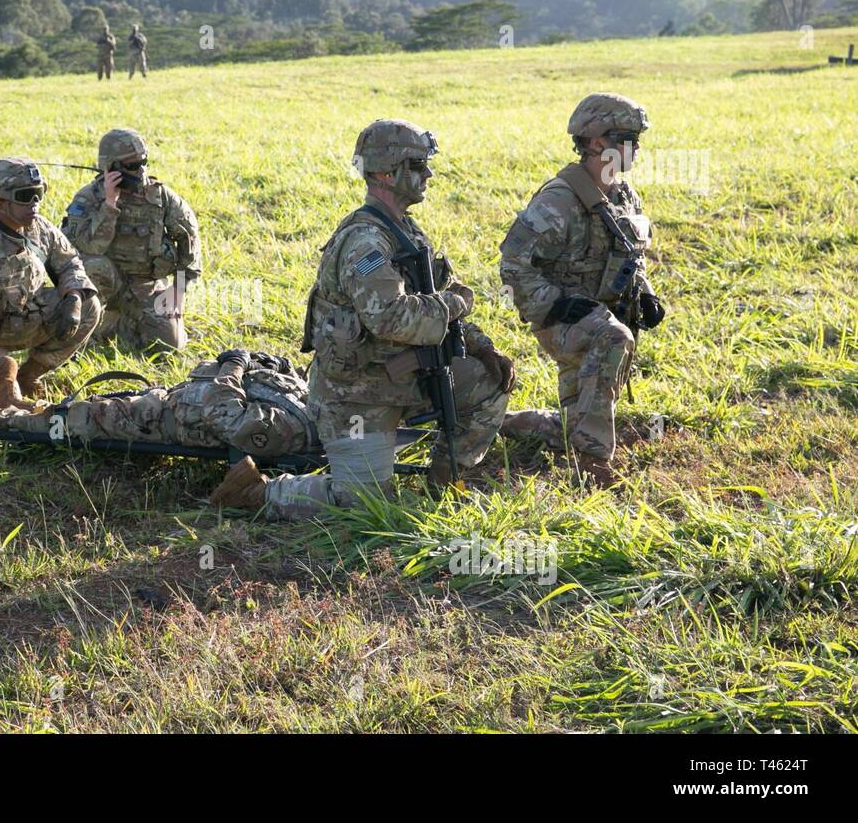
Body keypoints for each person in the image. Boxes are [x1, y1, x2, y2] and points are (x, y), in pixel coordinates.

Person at [211, 120, 515, 520]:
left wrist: (479, 345)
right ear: (387, 173)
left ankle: (444, 486)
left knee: (491, 382)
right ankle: (258, 493)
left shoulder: (406, 232)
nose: (429, 175)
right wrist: (455, 304)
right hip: (355, 396)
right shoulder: (366, 243)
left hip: (408, 379)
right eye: (418, 166)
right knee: (363, 508)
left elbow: (436, 293)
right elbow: (392, 318)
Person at [498, 93, 665, 486]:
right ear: (594, 142)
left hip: (602, 312)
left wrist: (645, 292)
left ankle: (508, 424)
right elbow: (513, 266)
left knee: (582, 411)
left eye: (637, 139)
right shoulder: (560, 200)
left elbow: (631, 256)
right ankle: (591, 466)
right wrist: (556, 305)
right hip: (562, 319)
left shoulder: (622, 195)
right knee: (611, 339)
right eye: (625, 138)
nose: (635, 148)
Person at [0, 350, 315, 461]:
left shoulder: (292, 427)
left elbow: (225, 416)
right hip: (170, 400)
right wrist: (277, 367)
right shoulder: (311, 399)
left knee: (80, 419)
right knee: (92, 405)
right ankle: (21, 404)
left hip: (159, 421)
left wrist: (236, 365)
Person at [0, 157, 101, 400]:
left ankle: (30, 375)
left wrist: (73, 299)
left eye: (39, 193)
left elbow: (69, 263)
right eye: (25, 196)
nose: (35, 203)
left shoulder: (39, 228)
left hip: (20, 320)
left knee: (89, 306)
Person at [61, 127, 201, 353]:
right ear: (111, 167)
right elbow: (90, 248)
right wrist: (109, 205)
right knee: (92, 265)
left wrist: (178, 291)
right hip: (106, 282)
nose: (141, 170)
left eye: (144, 162)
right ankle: (95, 321)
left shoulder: (163, 198)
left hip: (146, 286)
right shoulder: (88, 198)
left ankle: (118, 324)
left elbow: (190, 248)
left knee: (169, 347)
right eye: (132, 166)